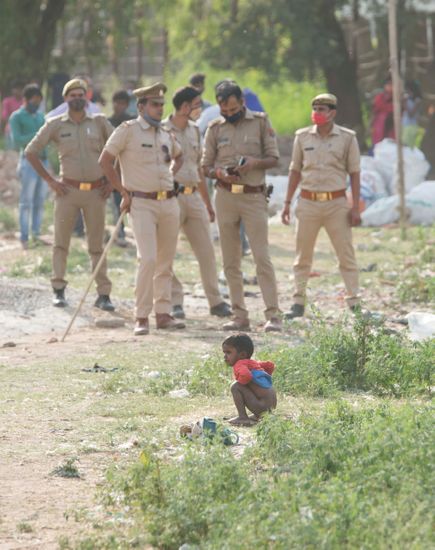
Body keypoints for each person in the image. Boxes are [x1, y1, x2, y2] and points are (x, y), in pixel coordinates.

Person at [99, 82, 186, 335]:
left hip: (169, 202)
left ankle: (163, 314)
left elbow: (178, 156)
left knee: (165, 261)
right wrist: (122, 191)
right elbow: (105, 160)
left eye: (161, 104)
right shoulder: (128, 130)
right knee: (147, 259)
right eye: (154, 104)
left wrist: (172, 172)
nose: (160, 109)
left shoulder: (166, 134)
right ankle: (141, 316)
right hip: (141, 202)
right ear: (141, 106)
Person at [25, 78, 115, 311]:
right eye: (72, 95)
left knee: (97, 245)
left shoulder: (100, 122)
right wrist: (50, 181)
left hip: (96, 192)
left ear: (87, 97)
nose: (77, 98)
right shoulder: (55, 124)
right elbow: (31, 151)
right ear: (65, 99)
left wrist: (113, 182)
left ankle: (103, 294)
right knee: (61, 243)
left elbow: (121, 150)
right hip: (67, 191)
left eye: (80, 94)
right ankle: (59, 291)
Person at [202, 80, 282, 332]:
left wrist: (253, 163)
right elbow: (205, 167)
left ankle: (273, 315)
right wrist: (219, 173)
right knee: (230, 260)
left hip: (253, 196)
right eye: (224, 110)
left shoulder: (259, 122)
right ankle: (239, 315)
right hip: (225, 196)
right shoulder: (214, 128)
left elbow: (274, 158)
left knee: (261, 257)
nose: (229, 113)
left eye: (233, 109)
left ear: (241, 103)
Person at [281, 93, 361, 319]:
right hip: (308, 202)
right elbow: (294, 170)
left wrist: (354, 207)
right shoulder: (302, 137)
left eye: (322, 109)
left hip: (336, 203)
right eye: (314, 108)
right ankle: (298, 302)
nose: (317, 112)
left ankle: (354, 301)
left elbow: (354, 172)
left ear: (333, 113)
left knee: (346, 254)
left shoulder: (347, 138)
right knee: (302, 255)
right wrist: (287, 202)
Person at [162, 86, 231, 320]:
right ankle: (175, 301)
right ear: (184, 107)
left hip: (194, 197)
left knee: (206, 251)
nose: (200, 108)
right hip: (170, 196)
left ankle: (215, 301)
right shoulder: (162, 130)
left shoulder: (194, 130)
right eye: (197, 104)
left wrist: (206, 202)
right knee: (167, 252)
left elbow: (199, 169)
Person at [9, 84, 48, 249]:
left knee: (40, 200)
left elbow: (48, 139)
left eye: (39, 100)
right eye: (34, 100)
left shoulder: (40, 117)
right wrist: (39, 134)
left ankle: (36, 234)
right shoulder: (16, 117)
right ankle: (24, 237)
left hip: (43, 162)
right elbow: (17, 140)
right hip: (27, 163)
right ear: (25, 100)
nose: (36, 103)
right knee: (26, 202)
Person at [222, 333, 277, 427]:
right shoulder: (253, 363)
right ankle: (258, 415)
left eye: (228, 352)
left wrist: (242, 382)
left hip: (262, 406)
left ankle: (243, 417)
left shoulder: (240, 364)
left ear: (242, 354)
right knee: (246, 384)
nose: (225, 356)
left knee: (235, 386)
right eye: (224, 353)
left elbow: (246, 376)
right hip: (271, 407)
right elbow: (270, 366)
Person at [108, 90, 135, 247]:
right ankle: (120, 232)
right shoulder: (109, 122)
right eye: (116, 103)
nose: (119, 106)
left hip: (130, 168)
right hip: (114, 169)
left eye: (122, 103)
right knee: (117, 203)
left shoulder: (132, 122)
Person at [371, 76, 394, 147]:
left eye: (392, 85)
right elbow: (377, 107)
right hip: (380, 123)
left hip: (392, 124)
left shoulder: (397, 98)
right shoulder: (380, 96)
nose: (390, 87)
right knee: (378, 143)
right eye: (388, 84)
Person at [1, 80, 24, 146]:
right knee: (12, 154)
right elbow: (4, 117)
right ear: (12, 90)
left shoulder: (25, 102)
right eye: (17, 88)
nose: (19, 91)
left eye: (21, 89)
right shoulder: (7, 101)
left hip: (24, 131)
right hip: (11, 130)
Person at [402, 79, 422, 148]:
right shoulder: (408, 99)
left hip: (411, 126)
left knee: (406, 147)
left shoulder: (417, 100)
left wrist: (405, 103)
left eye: (408, 90)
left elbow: (411, 115)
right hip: (404, 124)